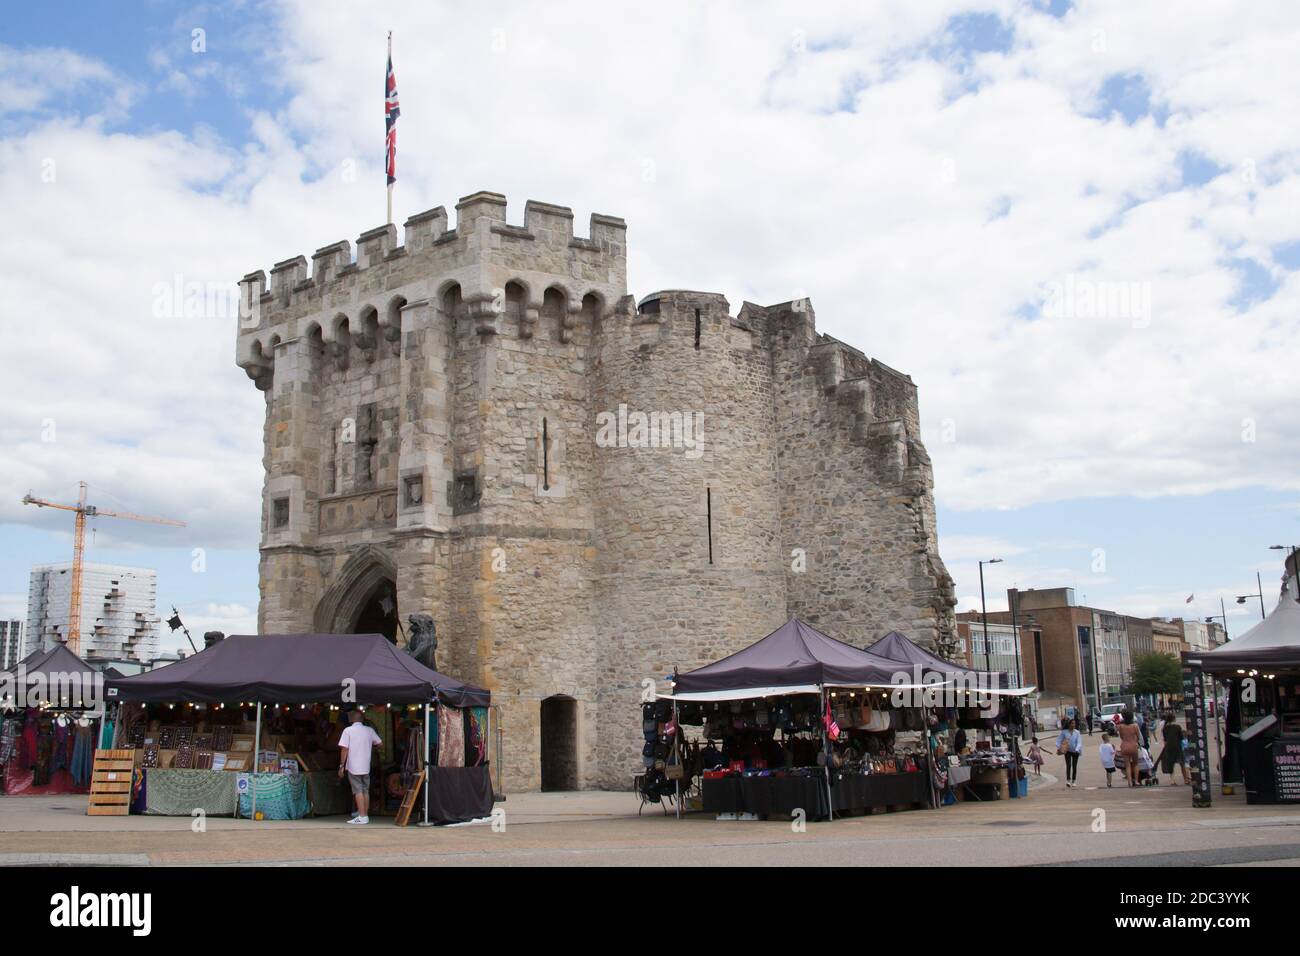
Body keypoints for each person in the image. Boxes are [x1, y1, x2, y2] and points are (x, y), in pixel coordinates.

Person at [338, 710, 383, 824]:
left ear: (352, 719)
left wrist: (341, 765)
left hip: (354, 766)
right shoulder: (369, 730)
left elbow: (344, 749)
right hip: (365, 765)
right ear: (362, 719)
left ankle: (362, 816)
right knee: (365, 790)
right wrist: (372, 746)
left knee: (357, 790)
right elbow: (380, 744)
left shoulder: (348, 730)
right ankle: (364, 814)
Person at [1160, 712, 1192, 785]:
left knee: (1171, 764)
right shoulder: (1177, 727)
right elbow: (1181, 737)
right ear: (1174, 719)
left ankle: (1172, 780)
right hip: (1177, 747)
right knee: (1182, 764)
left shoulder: (1165, 728)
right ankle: (1186, 780)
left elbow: (1165, 739)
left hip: (1169, 747)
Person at [1116, 709, 1141, 788]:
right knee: (1135, 763)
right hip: (1133, 745)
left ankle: (1130, 782)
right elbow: (1138, 736)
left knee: (1127, 765)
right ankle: (1136, 781)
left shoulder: (1120, 726)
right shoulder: (1135, 726)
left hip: (1124, 745)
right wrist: (1135, 742)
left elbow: (1121, 736)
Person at [1056, 719, 1083, 787]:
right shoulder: (1064, 732)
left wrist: (1077, 749)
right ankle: (1068, 780)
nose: (1073, 725)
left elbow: (1079, 742)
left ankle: (1074, 781)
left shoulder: (1077, 732)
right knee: (1068, 765)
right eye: (1072, 723)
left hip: (1075, 751)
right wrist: (1059, 747)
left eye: (1074, 723)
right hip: (1067, 751)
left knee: (1074, 766)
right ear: (1069, 724)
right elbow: (1059, 740)